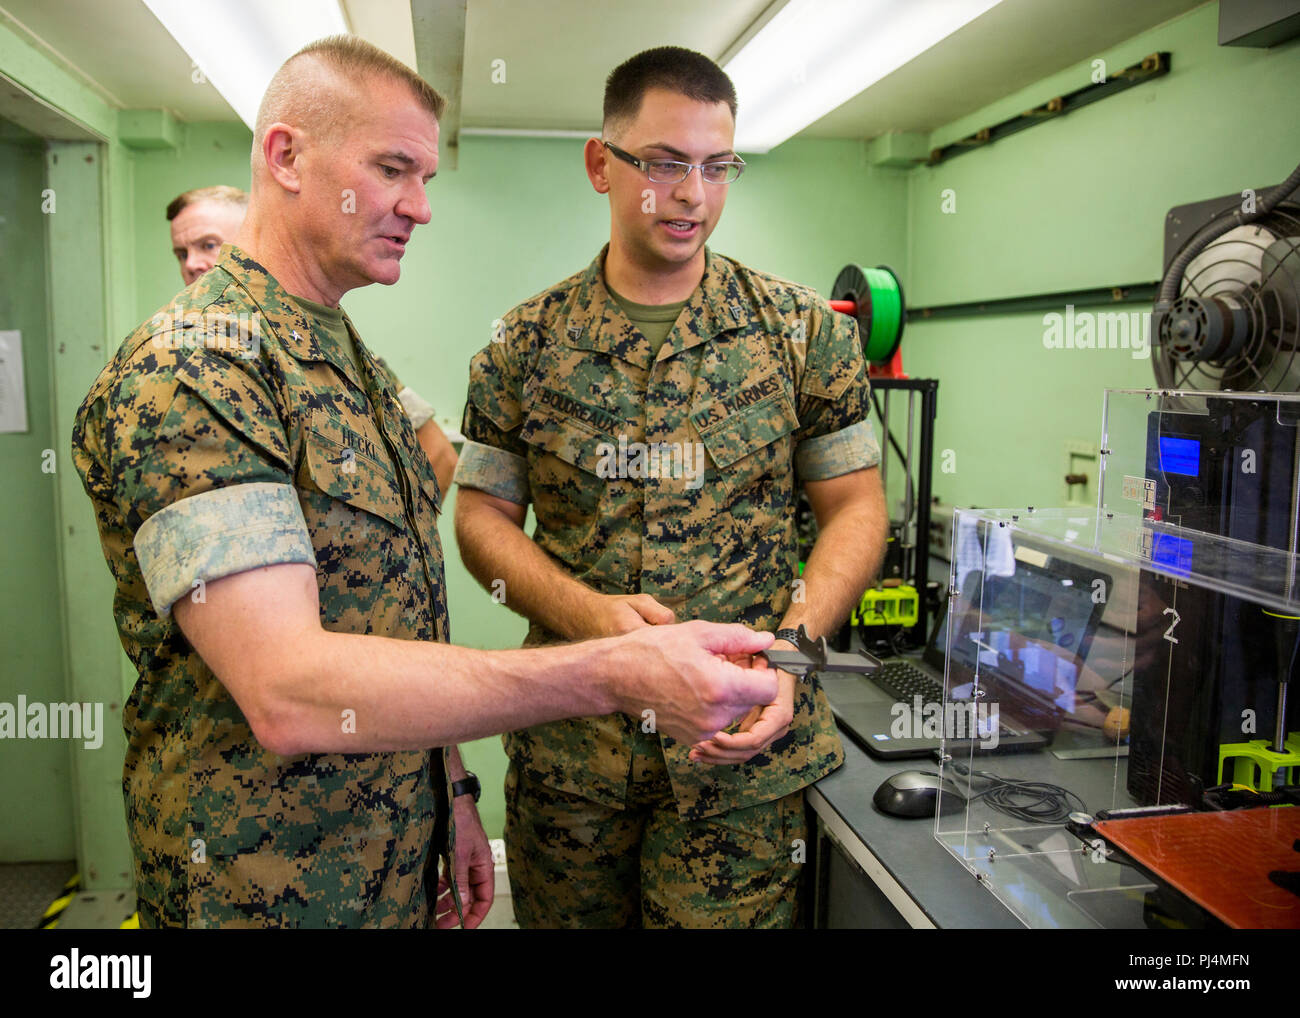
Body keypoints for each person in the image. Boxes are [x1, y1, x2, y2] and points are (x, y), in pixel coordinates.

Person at [72, 35, 777, 930]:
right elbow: (286, 689)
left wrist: (453, 791)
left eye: (427, 179)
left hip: (389, 865)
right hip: (261, 891)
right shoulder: (196, 371)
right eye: (394, 169)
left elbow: (397, 607)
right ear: (287, 156)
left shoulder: (343, 356)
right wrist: (615, 671)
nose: (420, 206)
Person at [454, 46, 889, 929]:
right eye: (662, 163)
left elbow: (856, 508)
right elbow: (480, 520)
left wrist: (795, 655)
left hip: (741, 759)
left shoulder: (805, 335)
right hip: (573, 757)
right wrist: (597, 623)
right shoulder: (522, 347)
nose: (693, 193)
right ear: (599, 165)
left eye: (716, 165)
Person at [167, 184, 459, 494]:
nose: (191, 264)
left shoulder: (335, 346)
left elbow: (439, 454)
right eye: (182, 253)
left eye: (209, 245)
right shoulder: (185, 351)